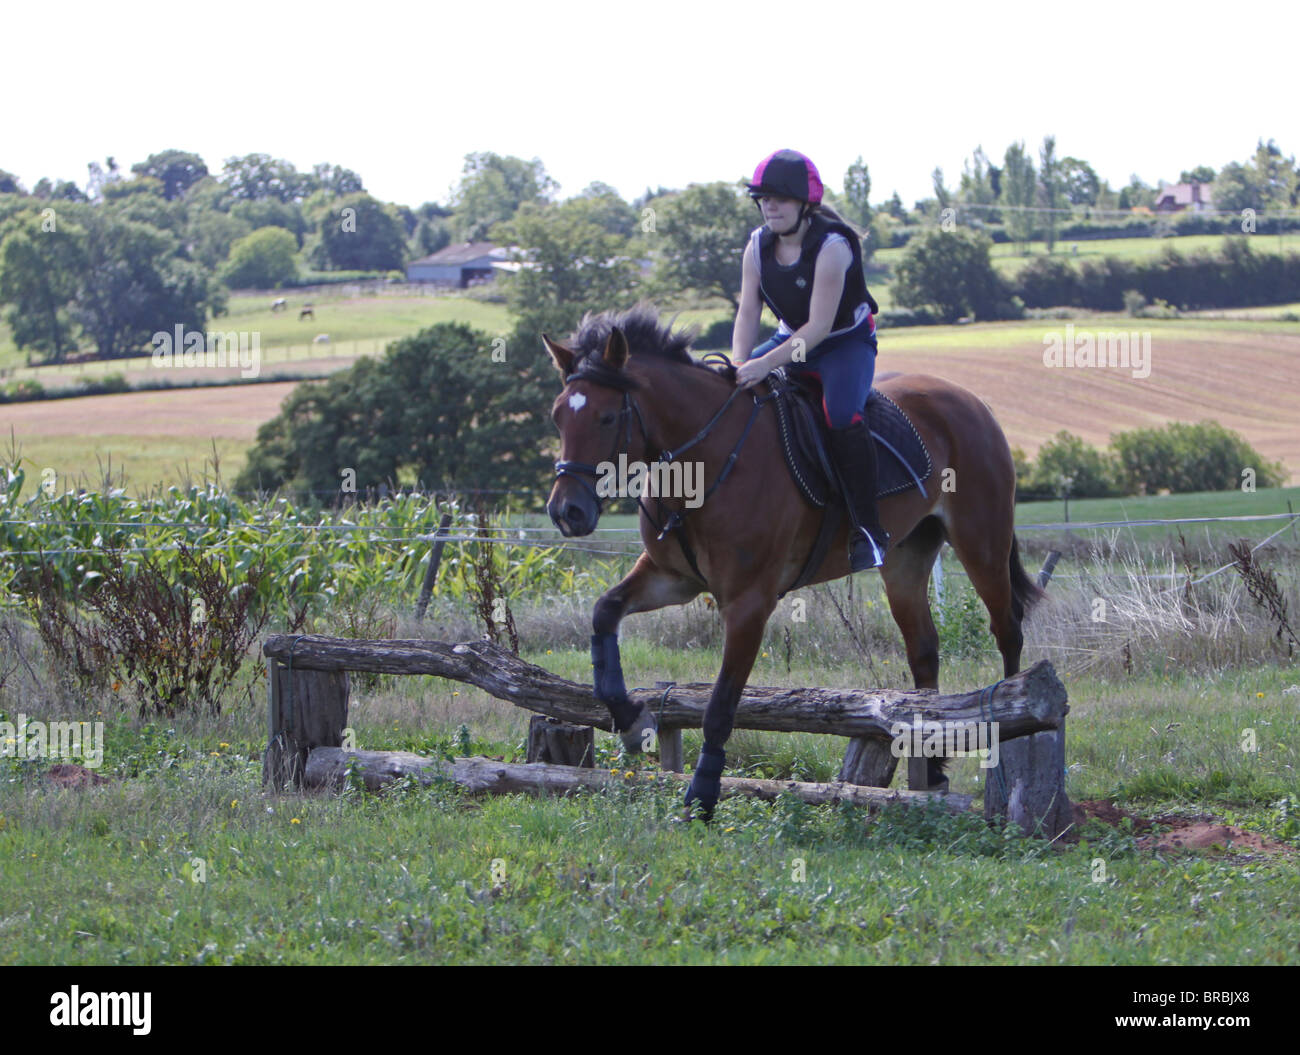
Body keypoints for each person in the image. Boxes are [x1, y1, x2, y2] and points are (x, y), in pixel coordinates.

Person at [731, 148, 889, 570]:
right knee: (731, 395)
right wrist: (738, 364)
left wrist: (765, 365)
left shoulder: (833, 247)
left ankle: (870, 532)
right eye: (763, 198)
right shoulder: (756, 247)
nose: (770, 205)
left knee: (840, 415)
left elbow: (817, 329)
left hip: (843, 344)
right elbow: (748, 312)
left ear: (805, 204)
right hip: (789, 339)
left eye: (780, 197)